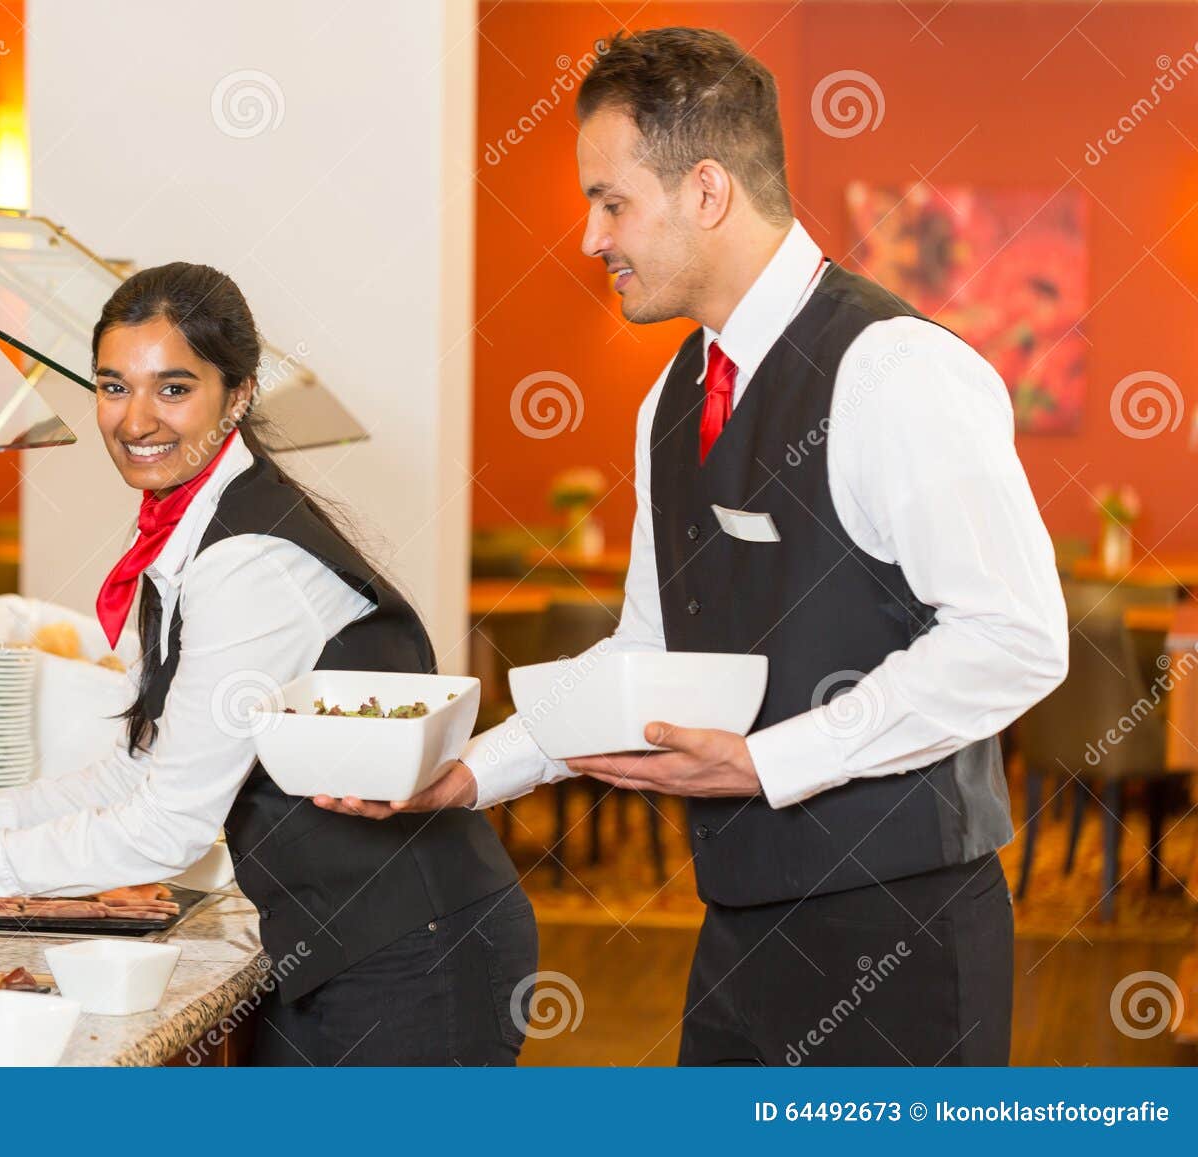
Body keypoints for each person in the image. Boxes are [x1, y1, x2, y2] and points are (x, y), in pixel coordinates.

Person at [320, 28, 1068, 1066]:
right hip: (736, 918)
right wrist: (467, 773)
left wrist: (768, 759)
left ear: (706, 190)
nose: (589, 236)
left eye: (610, 201)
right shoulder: (674, 392)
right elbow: (644, 651)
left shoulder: (895, 370)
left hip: (896, 926)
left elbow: (1013, 636)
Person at [0, 262, 537, 1066]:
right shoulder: (190, 536)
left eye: (173, 388)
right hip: (349, 944)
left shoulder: (249, 561)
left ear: (239, 393)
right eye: (114, 386)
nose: (136, 418)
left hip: (418, 953)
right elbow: (132, 773)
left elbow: (167, 827)